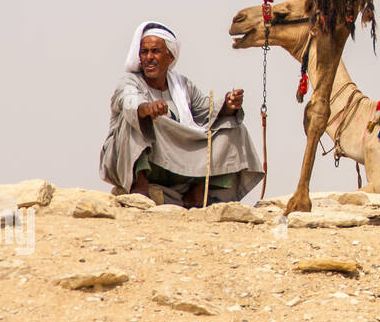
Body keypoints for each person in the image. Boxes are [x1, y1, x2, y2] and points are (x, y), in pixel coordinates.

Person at [100, 21, 264, 207]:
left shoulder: (182, 86)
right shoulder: (130, 81)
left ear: (169, 57)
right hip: (144, 161)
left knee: (233, 129)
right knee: (134, 119)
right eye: (144, 52)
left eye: (155, 51)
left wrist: (228, 104)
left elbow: (206, 114)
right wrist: (146, 108)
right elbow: (129, 100)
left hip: (178, 163)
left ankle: (197, 189)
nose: (149, 57)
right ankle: (140, 187)